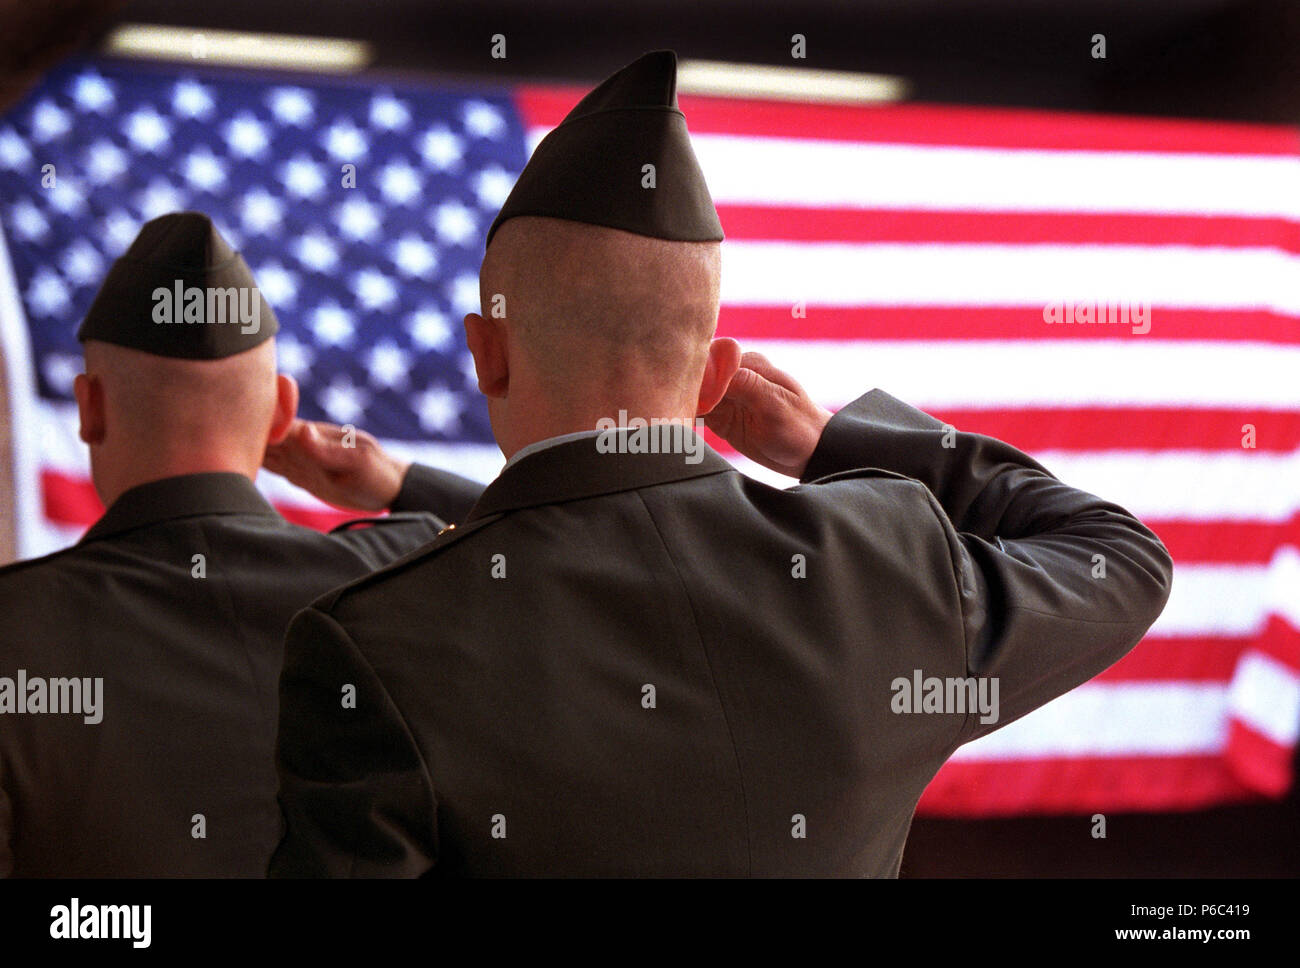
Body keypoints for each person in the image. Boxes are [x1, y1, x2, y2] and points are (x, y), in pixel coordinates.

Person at [270, 52, 1173, 877]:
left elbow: (565, 556)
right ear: (714, 376)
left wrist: (407, 495)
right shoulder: (882, 565)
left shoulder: (373, 644)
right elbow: (1119, 556)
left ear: (487, 352)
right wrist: (832, 441)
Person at [0, 211, 481, 876]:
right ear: (283, 410)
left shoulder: (16, 630)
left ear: (90, 407)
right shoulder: (407, 578)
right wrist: (402, 483)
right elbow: (551, 551)